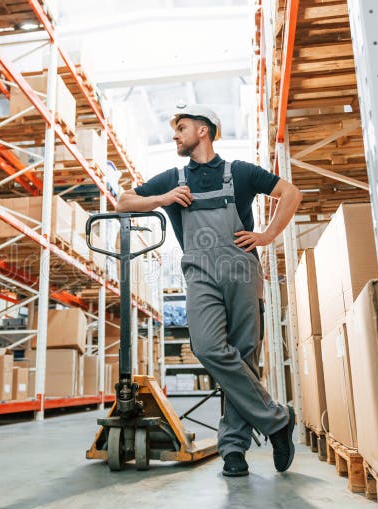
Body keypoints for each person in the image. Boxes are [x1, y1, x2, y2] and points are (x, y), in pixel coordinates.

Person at [116, 105, 303, 477]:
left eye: (181, 127)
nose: (175, 135)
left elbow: (290, 193)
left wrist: (266, 235)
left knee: (245, 356)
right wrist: (163, 199)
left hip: (242, 268)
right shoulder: (174, 177)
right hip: (199, 271)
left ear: (203, 130)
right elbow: (123, 200)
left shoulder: (242, 173)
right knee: (207, 346)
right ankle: (278, 419)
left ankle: (233, 449)